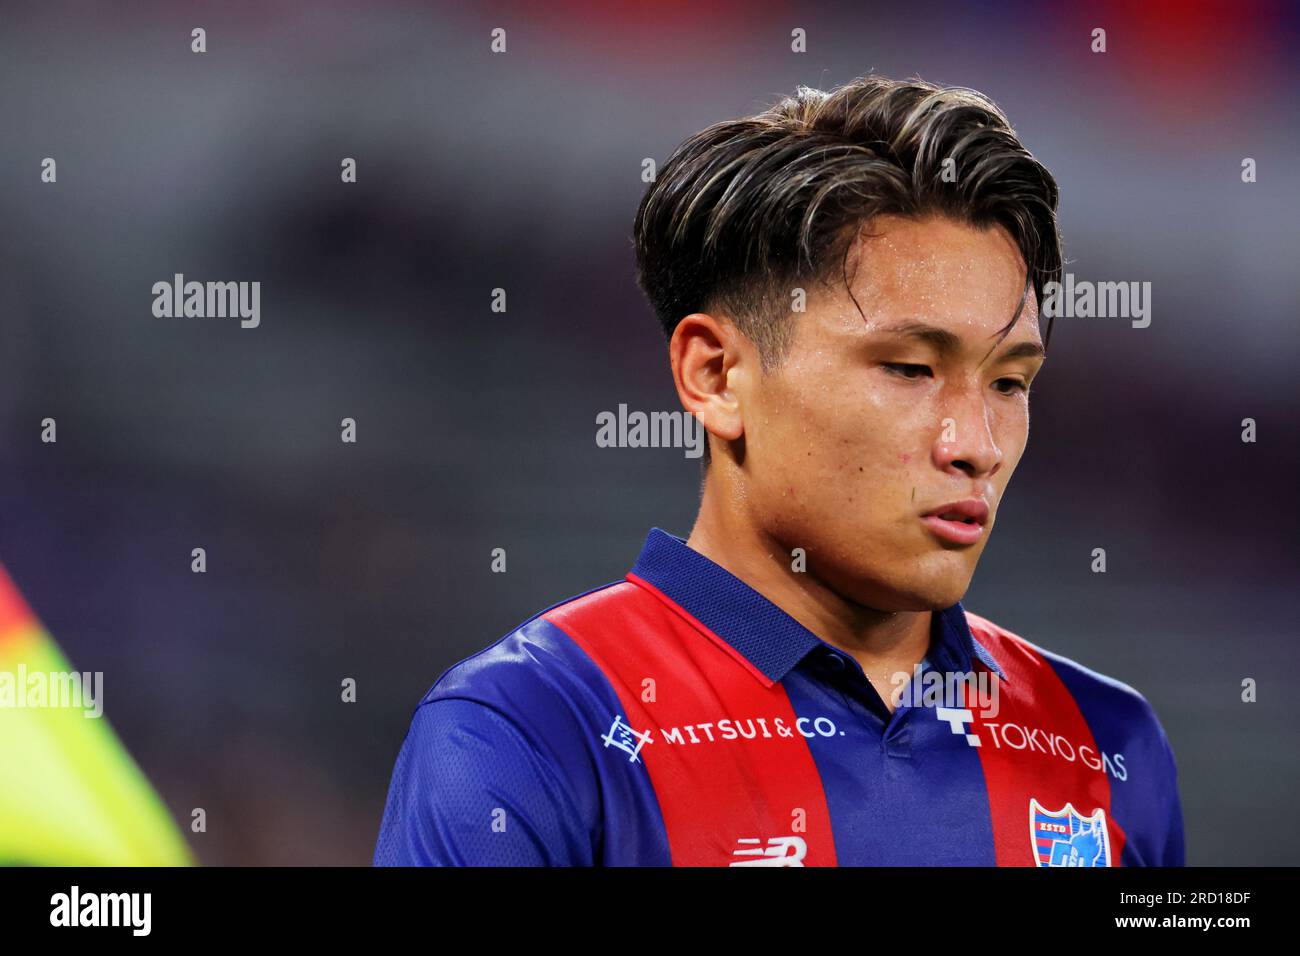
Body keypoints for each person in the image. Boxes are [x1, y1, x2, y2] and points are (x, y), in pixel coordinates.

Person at [374, 74, 1184, 866]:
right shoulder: (528, 730)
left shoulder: (1106, 744)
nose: (977, 442)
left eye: (1010, 382)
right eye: (908, 368)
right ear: (717, 376)